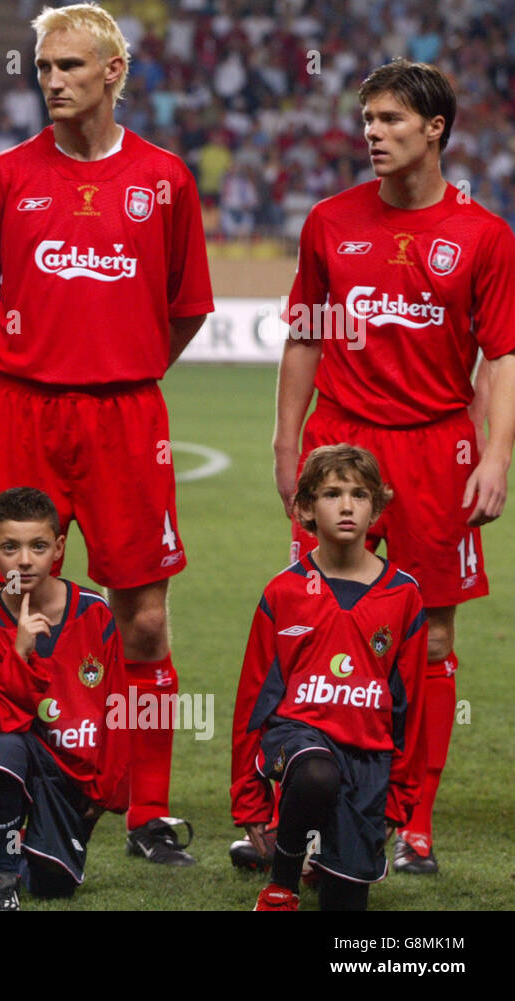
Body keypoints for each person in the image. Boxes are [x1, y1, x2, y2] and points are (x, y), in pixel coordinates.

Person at [0, 2, 213, 867]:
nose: (51, 81)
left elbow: (186, 308)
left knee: (144, 622)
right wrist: (35, 360)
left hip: (127, 417)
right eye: (44, 67)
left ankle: (148, 811)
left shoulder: (164, 179)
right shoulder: (5, 175)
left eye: (70, 67)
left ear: (113, 72)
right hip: (24, 410)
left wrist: (116, 366)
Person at [274, 59, 515, 875]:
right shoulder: (329, 223)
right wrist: (286, 445)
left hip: (437, 445)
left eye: (391, 121)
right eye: (368, 119)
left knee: (434, 635)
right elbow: (303, 334)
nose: (372, 133)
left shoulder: (483, 234)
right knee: (324, 626)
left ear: (435, 128)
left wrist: (495, 455)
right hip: (342, 443)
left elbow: (503, 354)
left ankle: (413, 820)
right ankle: (313, 807)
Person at [233, 445, 426, 910]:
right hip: (297, 737)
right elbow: (253, 700)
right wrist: (250, 799)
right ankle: (281, 884)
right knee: (316, 772)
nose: (345, 506)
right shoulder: (284, 591)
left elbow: (411, 708)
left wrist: (398, 802)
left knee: (344, 902)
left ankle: (324, 859)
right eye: (331, 494)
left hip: (367, 756)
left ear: (376, 507)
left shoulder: (403, 596)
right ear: (304, 508)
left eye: (359, 495)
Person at [0, 488, 128, 910]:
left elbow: (118, 710)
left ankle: (19, 849)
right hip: (18, 754)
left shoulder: (95, 613)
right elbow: (1, 718)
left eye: (38, 546)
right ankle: (0, 877)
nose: (24, 560)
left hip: (73, 773)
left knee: (54, 885)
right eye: (9, 547)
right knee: (2, 749)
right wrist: (19, 652)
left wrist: (105, 793)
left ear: (59, 546)